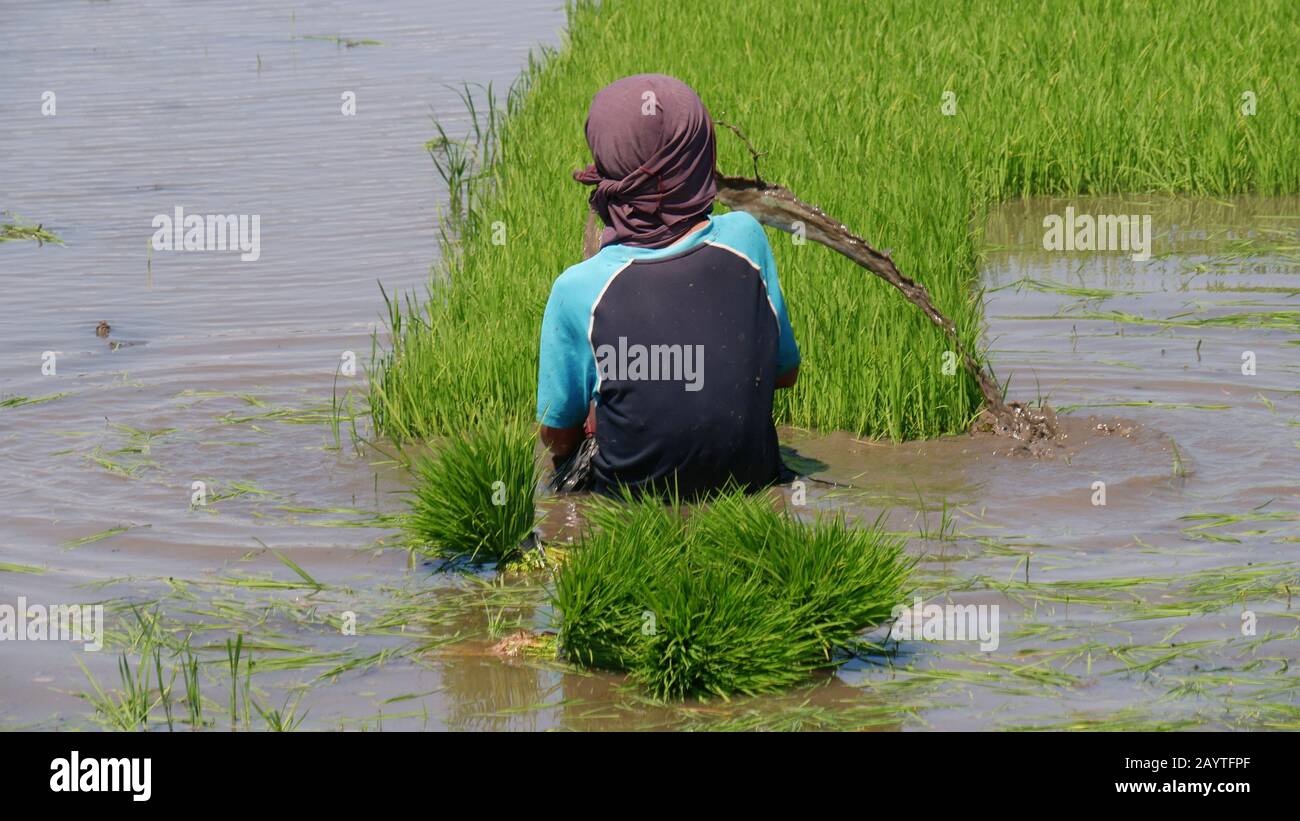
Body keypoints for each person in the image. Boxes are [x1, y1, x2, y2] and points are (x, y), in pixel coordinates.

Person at [536, 73, 800, 498]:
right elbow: (784, 375)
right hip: (753, 482)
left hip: (626, 506)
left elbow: (559, 436)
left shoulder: (577, 288)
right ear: (697, 156)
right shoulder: (747, 239)